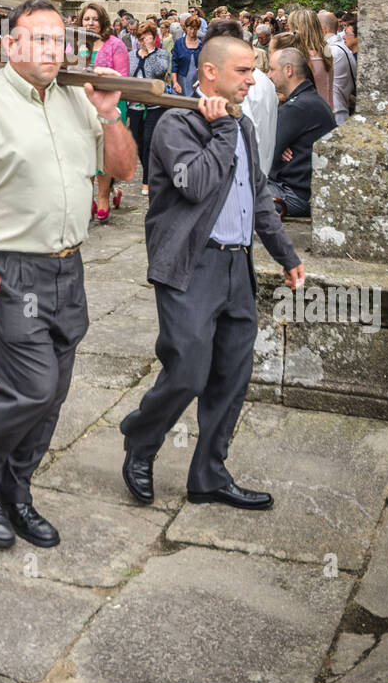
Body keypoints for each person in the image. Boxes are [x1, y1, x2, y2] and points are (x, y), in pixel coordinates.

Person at [0, 0, 136, 549]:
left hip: (70, 267)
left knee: (54, 393)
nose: (52, 49)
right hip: (11, 269)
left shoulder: (78, 98)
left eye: (58, 40)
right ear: (11, 44)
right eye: (37, 39)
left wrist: (111, 114)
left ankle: (15, 490)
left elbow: (122, 169)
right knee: (32, 386)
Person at [120, 36, 304, 509]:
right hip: (190, 266)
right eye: (243, 70)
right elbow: (196, 184)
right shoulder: (175, 125)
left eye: (254, 70)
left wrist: (286, 255)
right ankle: (141, 441)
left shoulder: (240, 127)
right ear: (210, 74)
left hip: (235, 266)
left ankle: (209, 474)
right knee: (186, 371)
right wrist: (223, 129)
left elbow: (257, 195)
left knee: (230, 375)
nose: (252, 79)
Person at [266, 45, 336, 216]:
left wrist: (276, 153)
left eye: (272, 69)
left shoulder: (297, 107)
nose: (268, 75)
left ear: (288, 70)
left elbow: (263, 156)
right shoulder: (309, 99)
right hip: (303, 192)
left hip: (292, 195)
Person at [205, 17, 278, 177]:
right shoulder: (265, 81)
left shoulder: (240, 86)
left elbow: (243, 135)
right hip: (261, 169)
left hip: (246, 174)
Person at [79, 2, 130, 220]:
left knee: (104, 155)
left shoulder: (115, 45)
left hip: (110, 105)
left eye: (94, 19)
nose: (90, 23)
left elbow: (123, 78)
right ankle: (86, 198)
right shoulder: (75, 44)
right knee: (85, 153)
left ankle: (103, 197)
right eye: (86, 19)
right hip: (82, 105)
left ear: (103, 21)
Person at [128, 21, 170, 196]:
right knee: (137, 141)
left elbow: (160, 71)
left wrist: (151, 51)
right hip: (134, 106)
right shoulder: (131, 55)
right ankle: (152, 172)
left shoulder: (161, 54)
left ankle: (147, 181)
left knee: (148, 141)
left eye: (148, 35)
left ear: (154, 37)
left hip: (154, 106)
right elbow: (128, 74)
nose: (144, 39)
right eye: (141, 36)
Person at [286, 7, 334, 110]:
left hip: (307, 116)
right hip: (327, 111)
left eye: (291, 29)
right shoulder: (325, 51)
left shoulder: (300, 58)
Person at [319, 9, 356, 125]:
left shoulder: (330, 50)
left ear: (323, 29)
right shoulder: (343, 46)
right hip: (342, 110)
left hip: (335, 116)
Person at [171, 14, 203, 97]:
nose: (192, 31)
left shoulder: (202, 45)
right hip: (182, 80)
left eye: (195, 29)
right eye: (190, 28)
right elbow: (174, 65)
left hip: (198, 82)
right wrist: (175, 82)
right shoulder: (179, 43)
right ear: (186, 27)